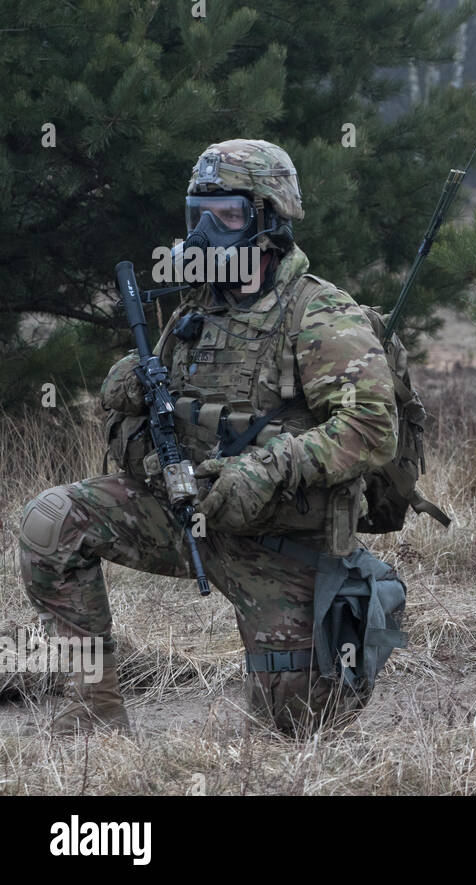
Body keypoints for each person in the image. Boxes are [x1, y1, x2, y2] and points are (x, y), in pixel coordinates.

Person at [17, 139, 401, 735]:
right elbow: (153, 403)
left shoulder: (319, 314)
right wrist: (130, 397)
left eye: (225, 215)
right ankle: (92, 712)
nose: (204, 232)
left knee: (293, 728)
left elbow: (373, 428)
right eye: (196, 212)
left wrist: (267, 469)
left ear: (269, 221)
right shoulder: (198, 310)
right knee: (52, 522)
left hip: (281, 544)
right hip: (187, 513)